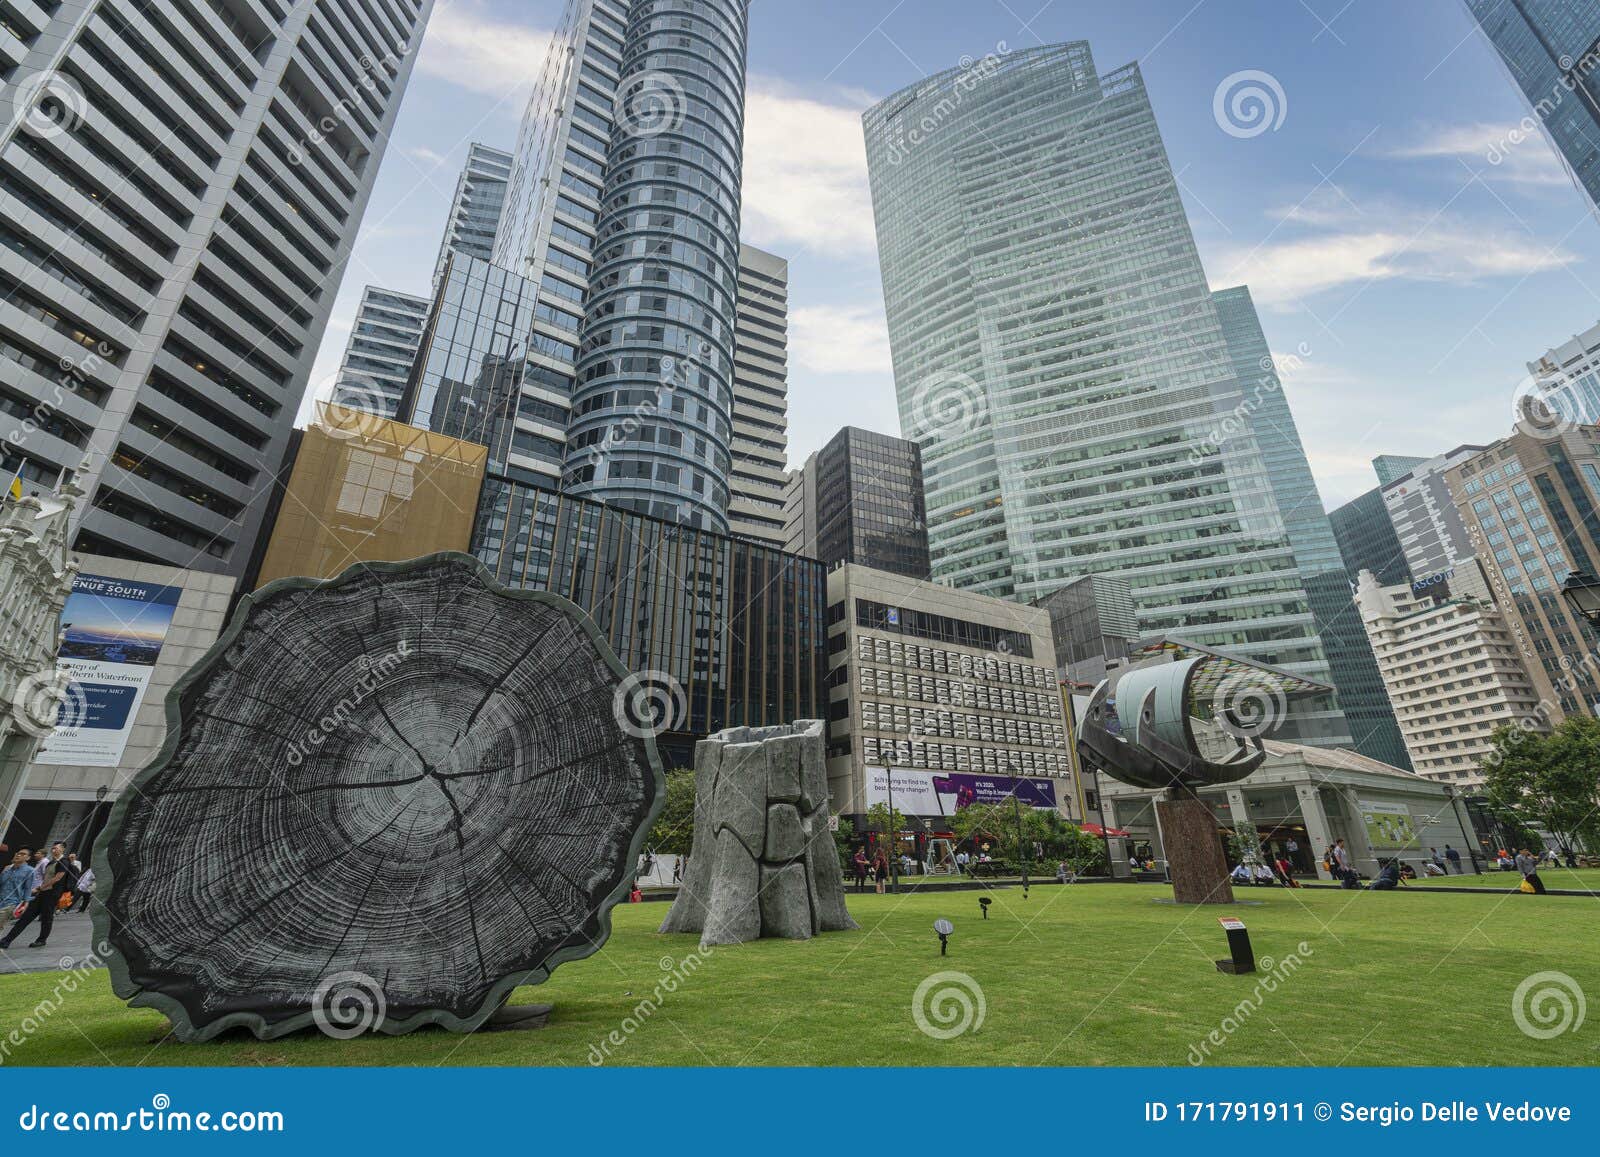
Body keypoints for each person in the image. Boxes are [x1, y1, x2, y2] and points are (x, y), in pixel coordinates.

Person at [0, 842, 75, 949]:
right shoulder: (51, 862)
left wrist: (40, 887)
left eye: (56, 848)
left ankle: (41, 940)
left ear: (62, 849)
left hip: (52, 895)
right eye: (52, 848)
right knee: (25, 918)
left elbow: (58, 877)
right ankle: (7, 940)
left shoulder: (64, 862)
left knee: (46, 918)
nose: (53, 850)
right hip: (42, 893)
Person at [0, 849, 33, 929]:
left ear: (28, 858)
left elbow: (27, 888)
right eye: (18, 853)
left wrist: (25, 904)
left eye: (23, 854)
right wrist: (4, 871)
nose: (19, 855)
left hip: (11, 903)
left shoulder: (30, 871)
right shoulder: (8, 868)